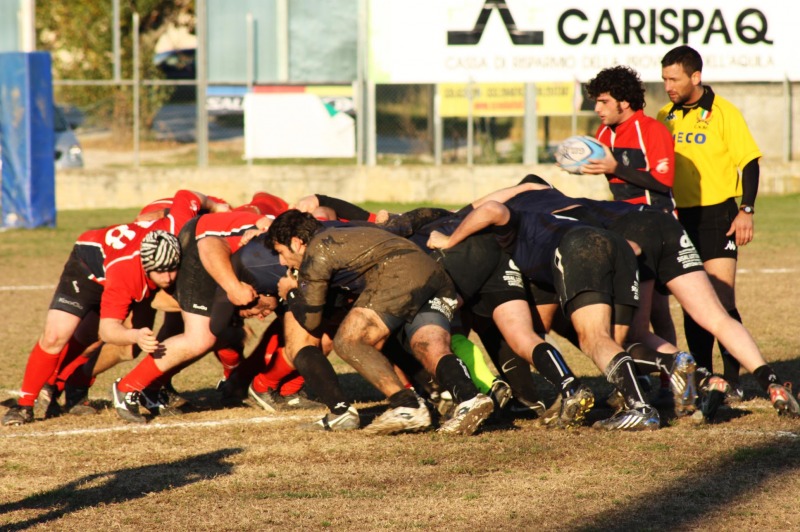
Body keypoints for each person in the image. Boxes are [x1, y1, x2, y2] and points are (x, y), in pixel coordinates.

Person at [427, 198, 661, 431]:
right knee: (614, 341)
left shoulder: (518, 221)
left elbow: (491, 208)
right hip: (620, 246)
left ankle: (640, 409)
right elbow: (635, 247)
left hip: (579, 245)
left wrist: (450, 240)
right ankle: (648, 390)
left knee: (594, 338)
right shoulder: (546, 222)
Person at [267, 209, 495, 435]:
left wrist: (291, 293)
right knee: (429, 345)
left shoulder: (317, 250)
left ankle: (407, 405)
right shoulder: (345, 229)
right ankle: (469, 398)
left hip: (398, 274)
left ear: (296, 243)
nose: (281, 260)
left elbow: (312, 320)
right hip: (434, 274)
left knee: (349, 342)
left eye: (280, 251)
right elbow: (404, 222)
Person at [1, 190, 215, 426]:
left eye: (172, 269)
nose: (168, 278)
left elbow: (186, 195)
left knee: (110, 346)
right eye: (160, 272)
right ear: (146, 267)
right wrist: (134, 334)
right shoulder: (126, 277)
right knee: (56, 335)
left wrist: (218, 208)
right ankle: (24, 405)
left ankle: (64, 385)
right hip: (88, 265)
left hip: (122, 263)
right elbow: (108, 330)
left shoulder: (177, 229)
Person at [658, 45, 763, 401]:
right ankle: (703, 376)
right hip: (678, 217)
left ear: (695, 77)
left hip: (718, 214)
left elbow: (749, 162)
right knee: (694, 301)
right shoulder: (664, 116)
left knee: (720, 297)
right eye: (664, 79)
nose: (668, 86)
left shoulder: (723, 112)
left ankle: (732, 377)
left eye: (674, 79)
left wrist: (746, 209)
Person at [111, 210, 272, 423]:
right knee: (200, 338)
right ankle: (127, 387)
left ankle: (154, 386)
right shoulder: (275, 232)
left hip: (203, 246)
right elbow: (210, 240)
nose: (262, 316)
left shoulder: (280, 232)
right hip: (201, 251)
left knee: (224, 334)